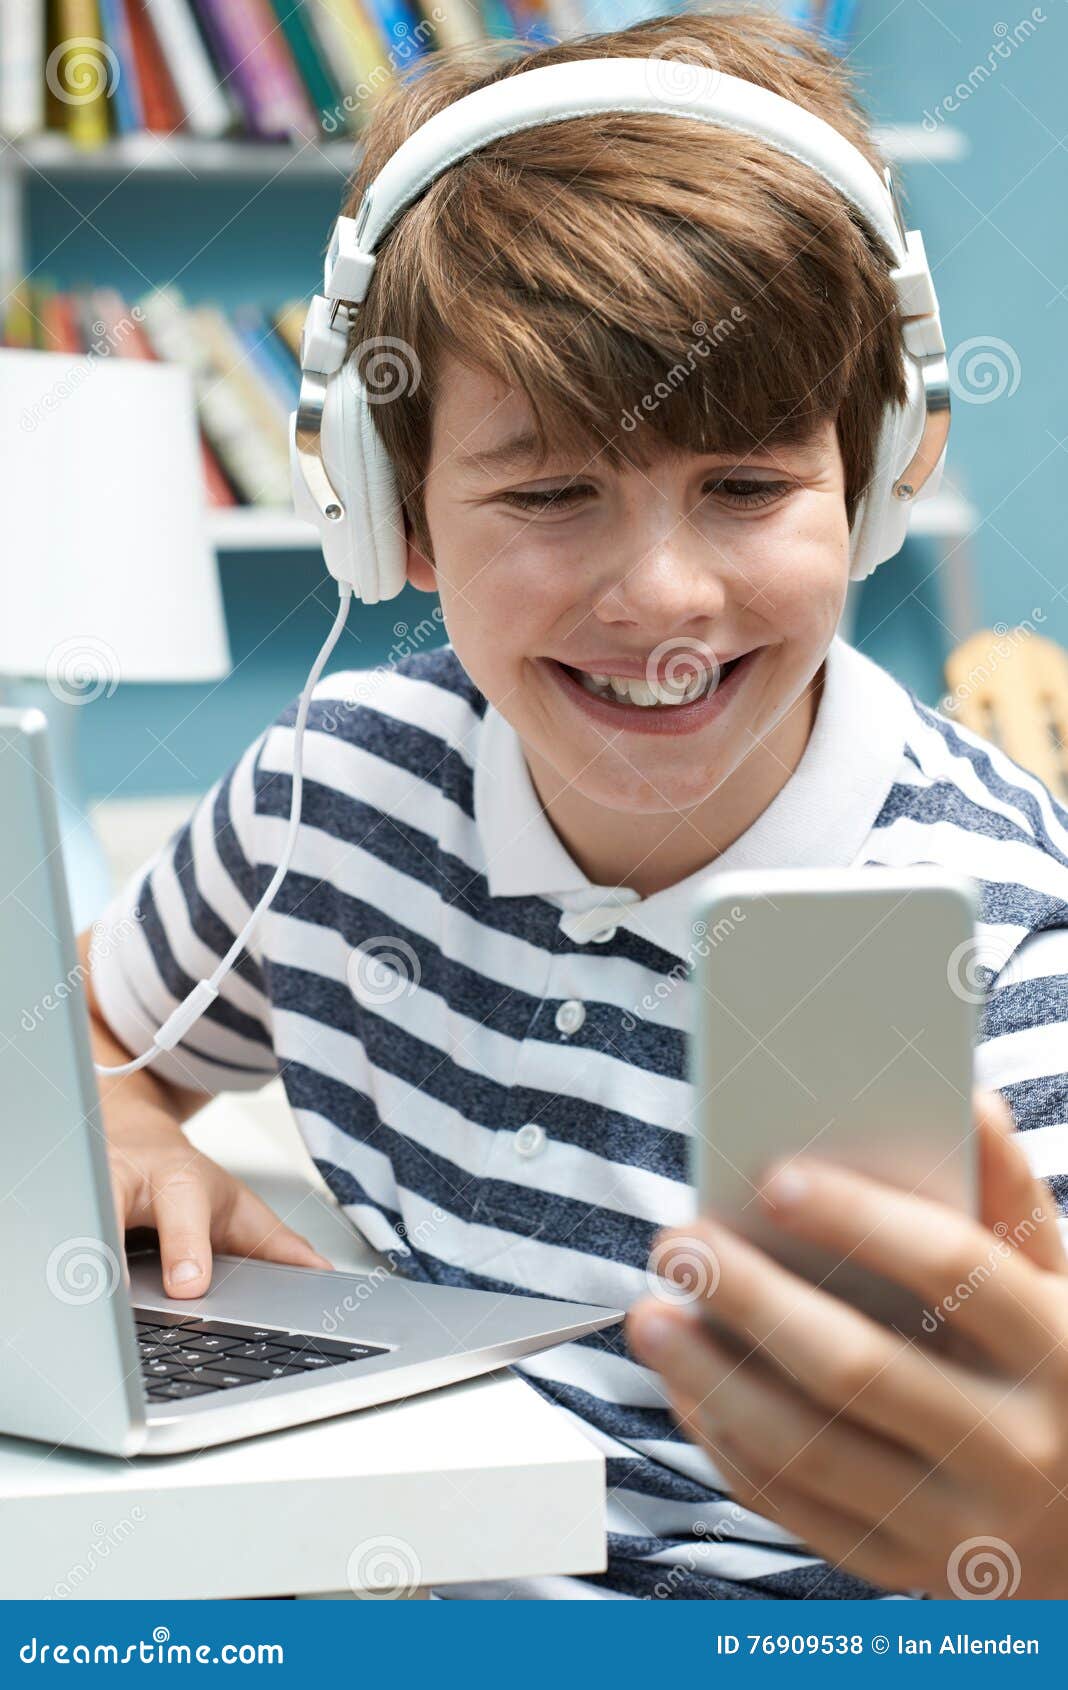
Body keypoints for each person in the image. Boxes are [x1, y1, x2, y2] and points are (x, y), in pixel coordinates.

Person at [83, 10, 1068, 1598]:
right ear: (387, 509)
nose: (662, 594)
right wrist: (129, 1129)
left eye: (745, 486)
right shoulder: (333, 795)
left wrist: (1043, 1543)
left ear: (879, 478)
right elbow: (72, 1038)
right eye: (549, 494)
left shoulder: (1013, 956)